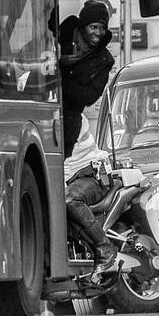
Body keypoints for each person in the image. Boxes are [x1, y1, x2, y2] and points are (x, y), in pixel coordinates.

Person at [58, 0, 115, 158]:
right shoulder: (62, 34)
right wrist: (59, 62)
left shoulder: (104, 59)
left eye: (102, 28)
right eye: (93, 27)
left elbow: (89, 96)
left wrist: (60, 79)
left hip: (69, 122)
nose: (98, 33)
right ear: (83, 27)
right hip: (44, 108)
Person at [64, 119, 120, 277]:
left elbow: (63, 162)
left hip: (91, 175)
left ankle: (105, 247)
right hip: (73, 179)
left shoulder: (72, 118)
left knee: (68, 199)